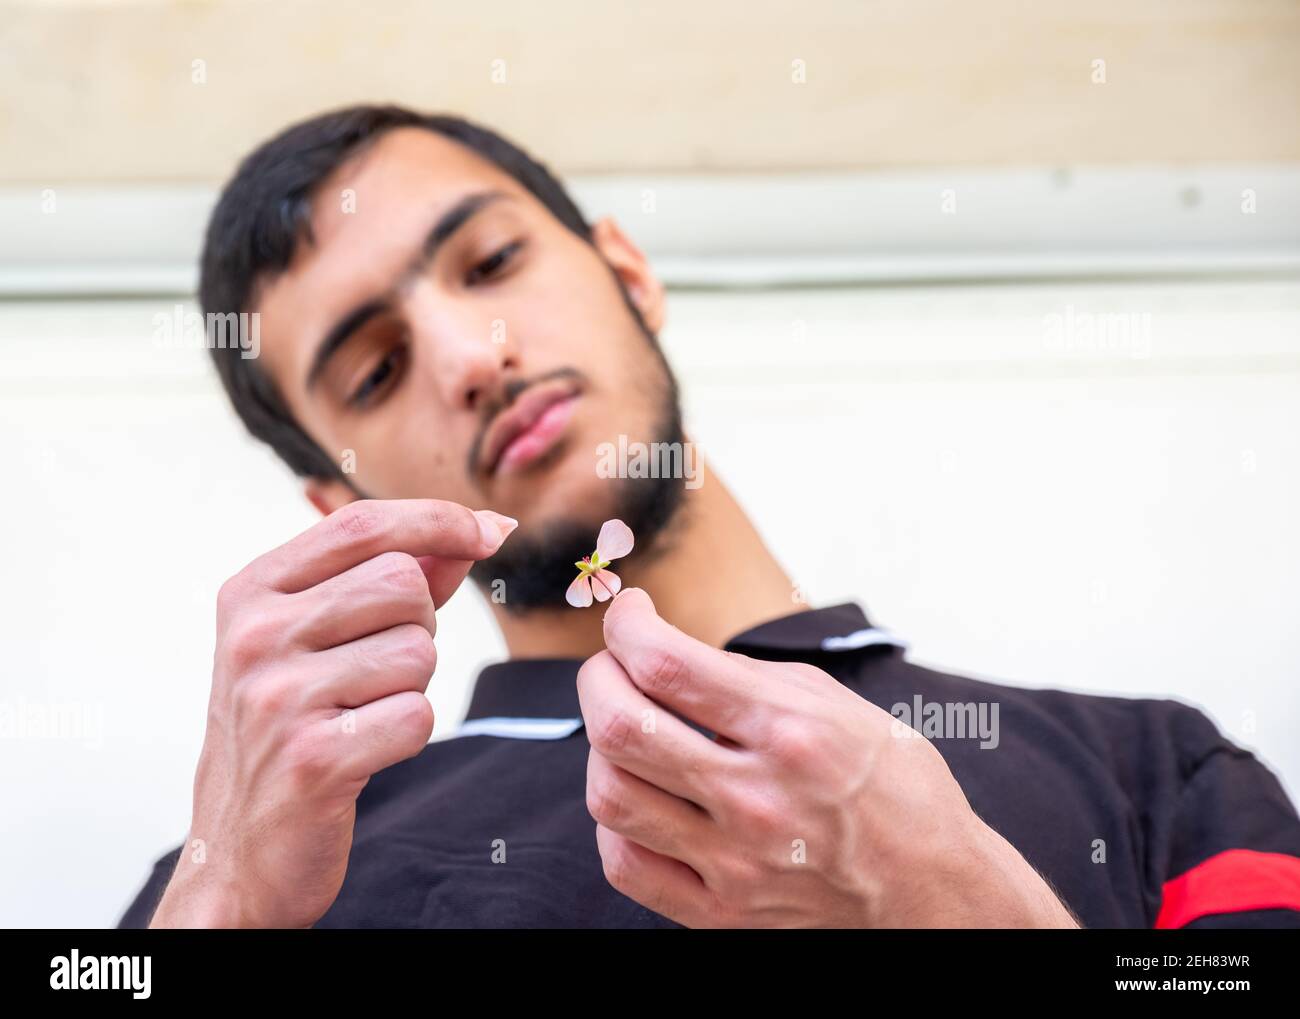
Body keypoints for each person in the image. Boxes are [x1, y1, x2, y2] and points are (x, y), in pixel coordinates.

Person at [118, 106, 1300, 929]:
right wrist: (224, 901)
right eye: (375, 373)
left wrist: (943, 900)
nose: (473, 358)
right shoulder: (256, 867)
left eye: (488, 263)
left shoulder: (1159, 771)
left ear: (628, 273)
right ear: (343, 506)